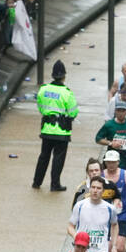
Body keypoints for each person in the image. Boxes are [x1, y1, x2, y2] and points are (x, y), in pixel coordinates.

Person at [32, 60, 78, 192]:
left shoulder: (43, 89)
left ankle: (37, 182)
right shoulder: (67, 93)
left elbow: (40, 107)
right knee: (58, 158)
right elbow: (73, 112)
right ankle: (55, 184)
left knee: (44, 156)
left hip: (47, 129)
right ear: (64, 76)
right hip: (62, 132)